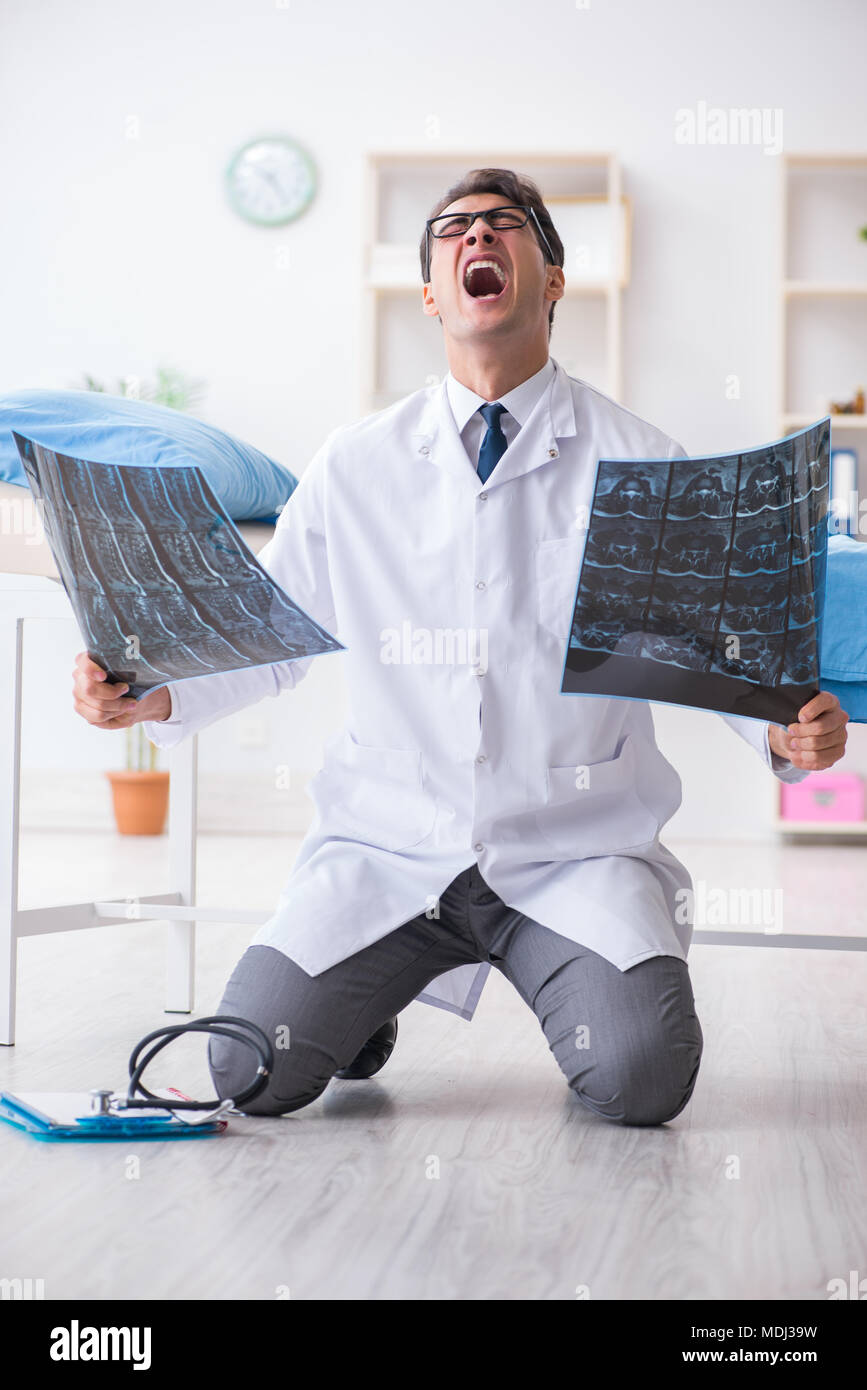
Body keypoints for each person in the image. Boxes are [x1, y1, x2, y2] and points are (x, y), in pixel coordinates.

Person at [72, 167, 849, 1126]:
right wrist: (154, 697)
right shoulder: (356, 463)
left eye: (504, 224)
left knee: (640, 1081)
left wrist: (782, 736)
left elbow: (699, 651)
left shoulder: (640, 456)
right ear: (434, 291)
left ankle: (489, 995)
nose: (477, 237)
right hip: (390, 850)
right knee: (249, 1075)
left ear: (553, 279)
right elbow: (275, 636)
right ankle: (360, 1013)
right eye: (452, 231)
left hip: (576, 854)